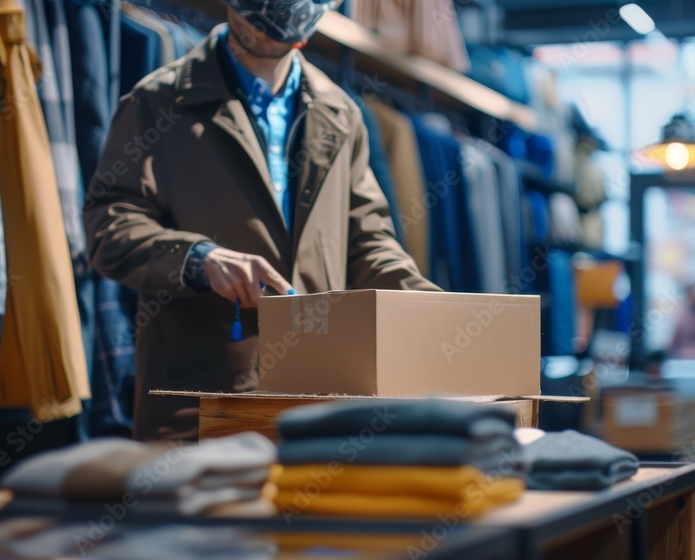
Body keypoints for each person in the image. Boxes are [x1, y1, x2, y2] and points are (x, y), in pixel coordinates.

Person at [85, 0, 439, 441]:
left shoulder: (340, 113)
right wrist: (199, 260)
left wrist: (429, 305)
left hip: (318, 398)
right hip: (201, 408)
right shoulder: (158, 102)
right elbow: (108, 228)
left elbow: (367, 239)